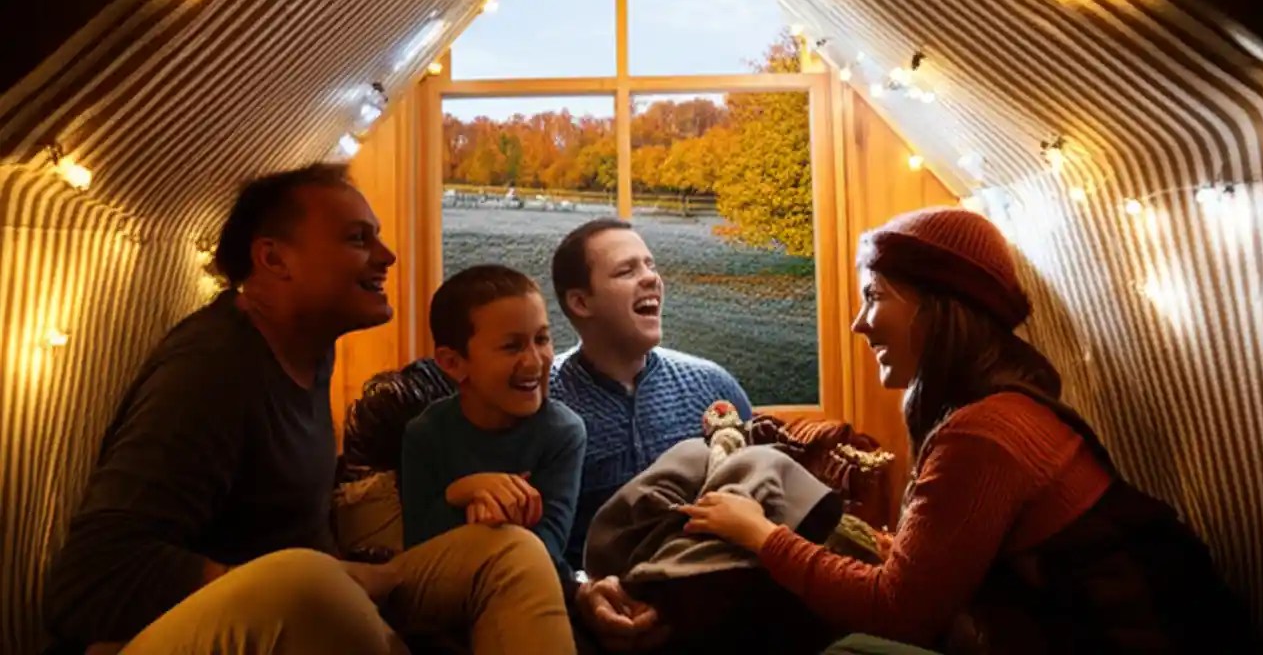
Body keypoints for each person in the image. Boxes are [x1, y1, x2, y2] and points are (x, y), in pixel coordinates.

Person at [43, 165, 574, 655]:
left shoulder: (309, 351)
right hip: (182, 631)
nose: (386, 256)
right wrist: (308, 581)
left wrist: (351, 574)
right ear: (273, 258)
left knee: (510, 554)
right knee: (307, 580)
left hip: (319, 595)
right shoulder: (212, 369)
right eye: (357, 238)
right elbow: (90, 579)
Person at [674, 207, 1257, 653]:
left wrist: (761, 536)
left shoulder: (983, 434)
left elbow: (900, 613)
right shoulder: (994, 409)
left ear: (940, 308)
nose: (858, 322)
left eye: (874, 297)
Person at [548, 217, 754, 651]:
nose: (651, 279)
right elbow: (532, 541)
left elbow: (761, 496)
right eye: (627, 271)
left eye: (651, 265)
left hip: (715, 600)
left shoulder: (712, 385)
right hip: (593, 614)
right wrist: (581, 593)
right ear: (580, 302)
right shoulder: (543, 402)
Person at [400, 264, 587, 576]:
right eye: (512, 346)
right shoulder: (425, 435)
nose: (534, 360)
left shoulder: (563, 433)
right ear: (453, 362)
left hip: (532, 582)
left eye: (541, 339)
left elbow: (548, 548)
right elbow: (418, 552)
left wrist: (490, 526)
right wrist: (461, 492)